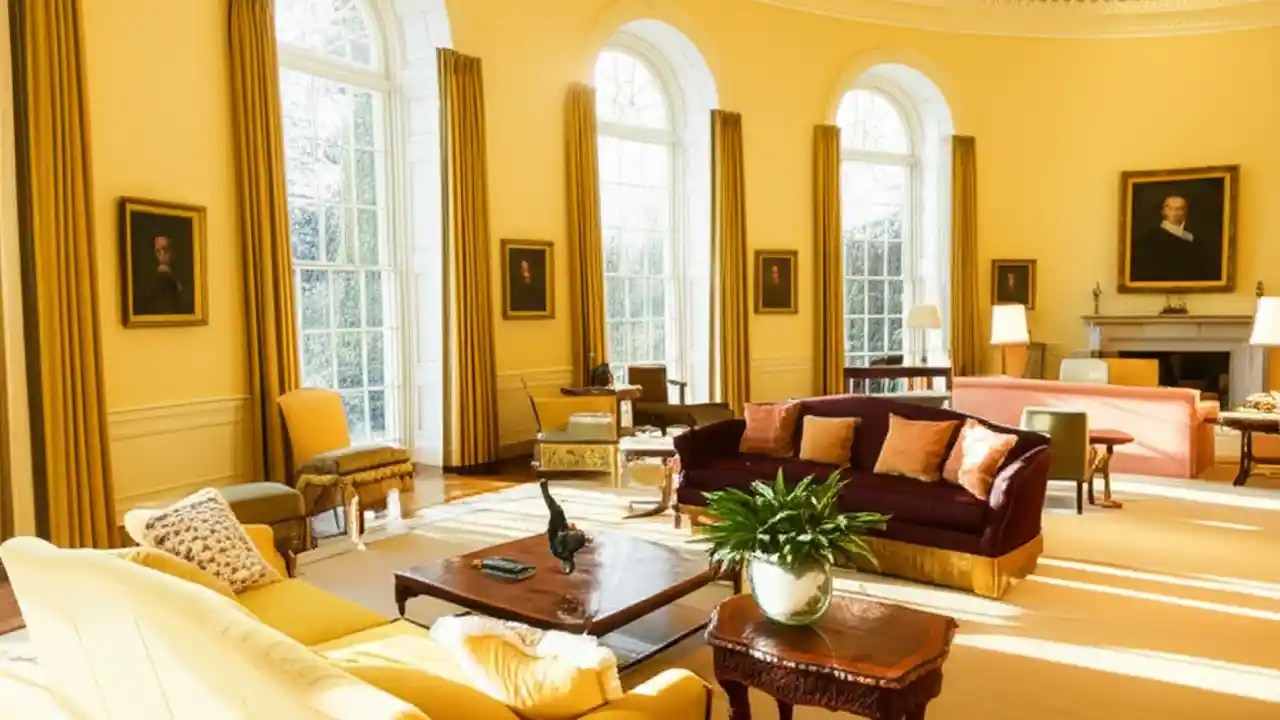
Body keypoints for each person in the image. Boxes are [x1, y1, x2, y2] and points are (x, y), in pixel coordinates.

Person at [1131, 195, 1221, 283]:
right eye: (1170, 209)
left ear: (1185, 212)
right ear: (1163, 211)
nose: (1174, 213)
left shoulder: (1195, 240)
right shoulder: (1151, 239)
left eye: (1179, 209)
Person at [137, 235, 193, 315]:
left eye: (165, 250)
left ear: (174, 252)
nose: (161, 255)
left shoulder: (186, 279)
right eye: (158, 252)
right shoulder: (149, 282)